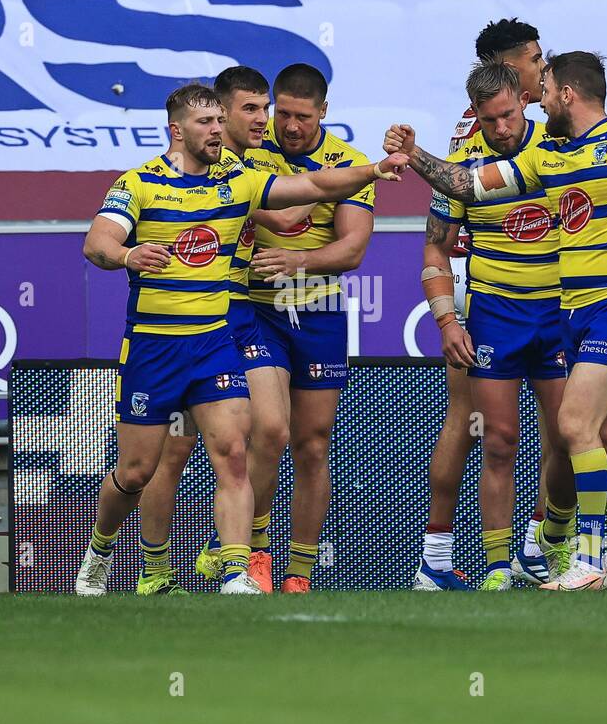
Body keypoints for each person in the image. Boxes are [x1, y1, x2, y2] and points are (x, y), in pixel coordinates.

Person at [389, 50, 607, 591]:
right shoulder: (550, 156)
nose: (538, 96)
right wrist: (415, 155)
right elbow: (471, 185)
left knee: (573, 426)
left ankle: (588, 560)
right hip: (574, 314)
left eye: (543, 88)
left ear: (566, 93)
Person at [74, 83, 404, 596]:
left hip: (214, 342)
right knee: (137, 470)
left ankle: (234, 570)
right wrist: (127, 256)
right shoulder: (137, 183)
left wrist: (375, 171)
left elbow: (313, 188)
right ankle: (101, 549)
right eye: (205, 122)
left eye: (216, 121)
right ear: (177, 130)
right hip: (153, 348)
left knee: (233, 451)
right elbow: (97, 242)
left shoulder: (239, 180)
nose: (215, 130)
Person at [122, 66, 314, 595]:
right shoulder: (170, 172)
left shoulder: (244, 171)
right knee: (173, 450)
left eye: (265, 109)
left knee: (269, 429)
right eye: (250, 110)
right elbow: (103, 245)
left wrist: (329, 175)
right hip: (179, 324)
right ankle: (155, 568)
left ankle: (232, 551)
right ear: (216, 115)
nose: (264, 120)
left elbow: (290, 217)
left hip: (235, 317)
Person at [420, 17, 569, 590]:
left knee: (567, 437)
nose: (502, 128)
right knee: (497, 438)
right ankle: (496, 566)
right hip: (495, 314)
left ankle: (544, 543)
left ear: (523, 99)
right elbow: (434, 246)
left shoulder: (559, 141)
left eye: (509, 115)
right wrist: (446, 317)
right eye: (490, 119)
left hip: (560, 311)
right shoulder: (460, 162)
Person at [242, 64, 374, 593]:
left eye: (302, 116)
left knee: (313, 444)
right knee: (269, 431)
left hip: (316, 311)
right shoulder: (250, 152)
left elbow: (353, 249)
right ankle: (252, 553)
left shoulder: (349, 163)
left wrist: (297, 263)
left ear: (323, 112)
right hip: (257, 310)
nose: (290, 126)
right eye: (283, 114)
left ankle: (299, 572)